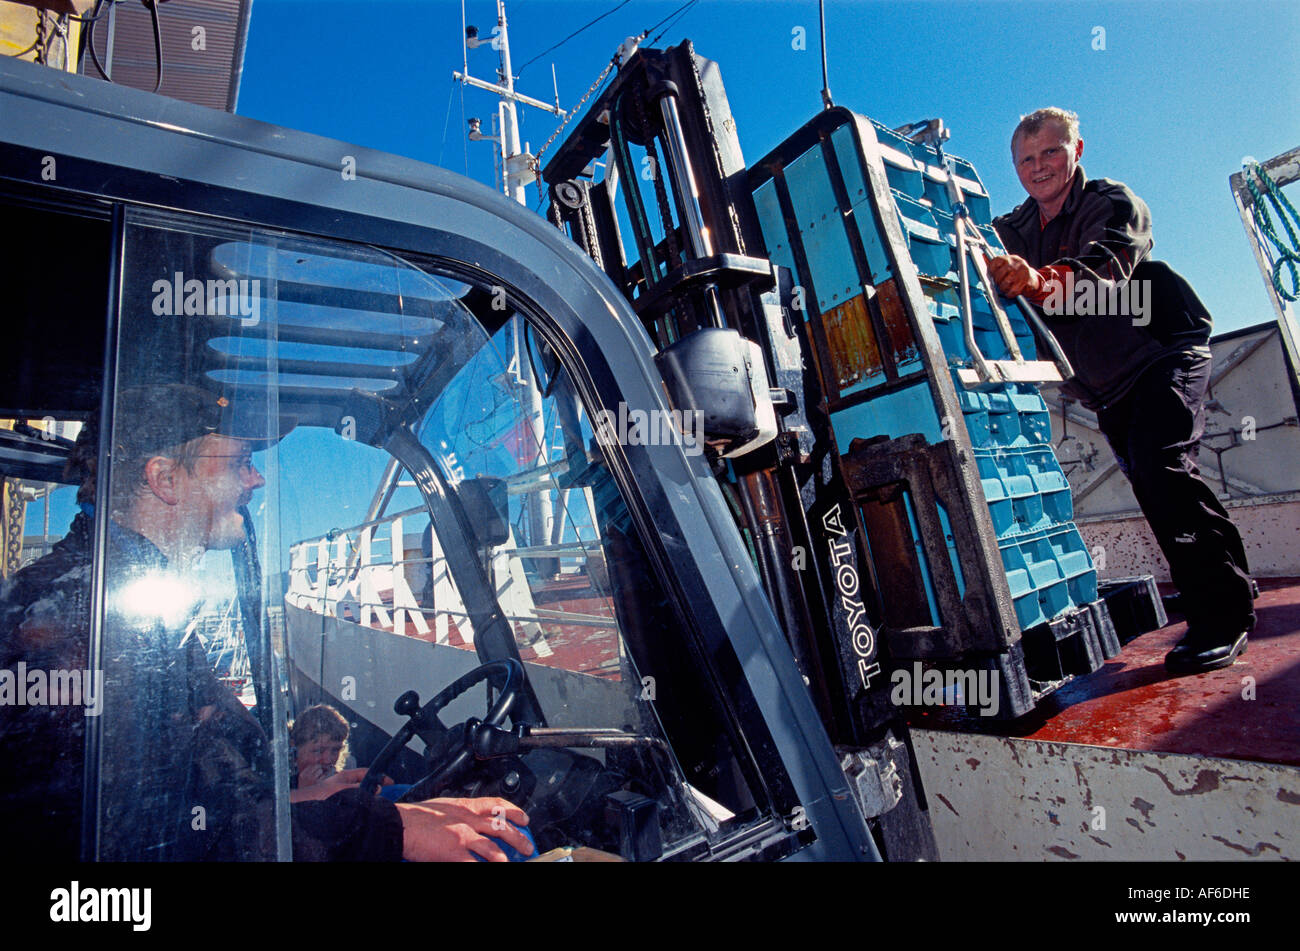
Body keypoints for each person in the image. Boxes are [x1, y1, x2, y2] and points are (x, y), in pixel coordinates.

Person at [0, 385, 532, 861]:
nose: (255, 479)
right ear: (164, 478)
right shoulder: (76, 623)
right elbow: (144, 847)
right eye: (238, 463)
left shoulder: (122, 603)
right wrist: (375, 831)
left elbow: (191, 799)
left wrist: (301, 800)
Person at [985, 108, 1255, 674]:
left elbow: (1101, 281)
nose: (1040, 168)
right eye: (1027, 160)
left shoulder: (1112, 203)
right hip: (1105, 387)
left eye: (1051, 153)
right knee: (1159, 481)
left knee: (1163, 470)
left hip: (1163, 352)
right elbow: (975, 257)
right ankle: (1227, 585)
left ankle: (1223, 616)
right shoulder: (1013, 230)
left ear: (1076, 151)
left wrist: (1034, 281)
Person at [291, 703, 350, 790]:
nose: (327, 760)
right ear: (294, 750)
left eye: (335, 750)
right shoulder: (276, 787)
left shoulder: (345, 784)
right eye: (318, 751)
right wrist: (305, 792)